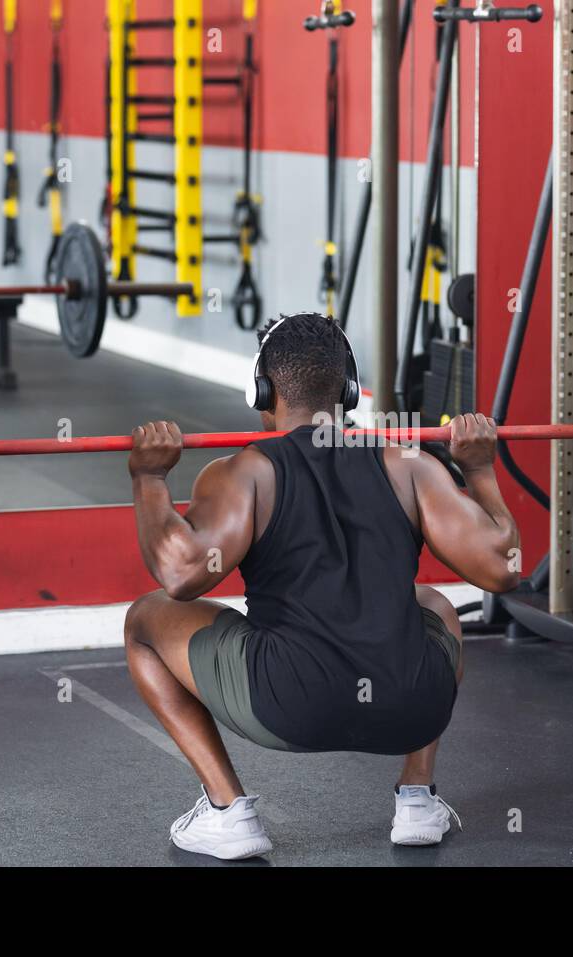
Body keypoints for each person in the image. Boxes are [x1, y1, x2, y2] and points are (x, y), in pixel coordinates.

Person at [123, 312, 520, 860]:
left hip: (288, 706)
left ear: (261, 393)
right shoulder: (410, 463)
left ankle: (227, 812)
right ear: (351, 391)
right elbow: (503, 567)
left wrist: (149, 480)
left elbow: (180, 574)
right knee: (435, 606)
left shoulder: (243, 472)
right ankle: (418, 798)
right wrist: (478, 468)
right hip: (411, 706)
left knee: (146, 619)